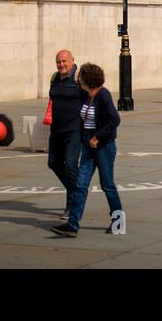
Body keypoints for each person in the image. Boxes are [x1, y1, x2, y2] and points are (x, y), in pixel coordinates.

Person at [51, 63, 124, 237]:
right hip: (88, 145)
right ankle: (72, 225)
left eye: (81, 77)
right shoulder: (86, 95)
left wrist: (97, 137)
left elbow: (115, 120)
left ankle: (119, 222)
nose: (78, 80)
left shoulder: (103, 95)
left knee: (108, 185)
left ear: (88, 79)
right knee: (80, 185)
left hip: (104, 146)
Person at [46, 49, 84, 219]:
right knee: (53, 163)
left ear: (72, 61)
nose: (61, 65)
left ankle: (71, 205)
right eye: (58, 62)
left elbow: (90, 100)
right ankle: (76, 190)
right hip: (56, 130)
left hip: (74, 131)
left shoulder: (79, 79)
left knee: (70, 164)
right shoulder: (55, 78)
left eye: (64, 61)